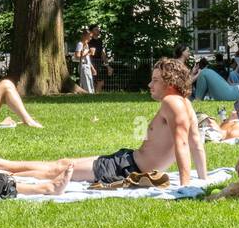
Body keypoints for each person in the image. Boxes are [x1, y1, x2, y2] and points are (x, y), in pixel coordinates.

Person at [63, 58, 208, 185]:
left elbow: (183, 144)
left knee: (62, 167)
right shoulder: (186, 104)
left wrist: (185, 187)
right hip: (127, 162)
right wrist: (203, 179)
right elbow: (196, 145)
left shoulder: (171, 102)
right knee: (65, 164)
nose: (150, 85)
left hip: (126, 169)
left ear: (170, 83)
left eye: (155, 80)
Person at [73, 27, 96, 94]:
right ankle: (89, 97)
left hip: (87, 66)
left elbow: (88, 58)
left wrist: (92, 68)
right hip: (83, 66)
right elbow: (77, 56)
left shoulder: (86, 45)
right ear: (84, 36)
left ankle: (91, 95)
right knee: (87, 84)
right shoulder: (80, 44)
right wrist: (88, 52)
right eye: (89, 36)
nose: (90, 38)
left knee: (90, 82)